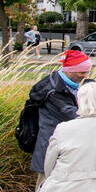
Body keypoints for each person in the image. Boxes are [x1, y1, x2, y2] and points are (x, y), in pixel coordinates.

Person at [28, 49, 92, 178]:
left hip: (64, 150)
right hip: (50, 152)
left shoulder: (70, 85)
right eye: (82, 72)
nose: (85, 75)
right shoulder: (54, 91)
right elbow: (74, 116)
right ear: (69, 70)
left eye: (87, 72)